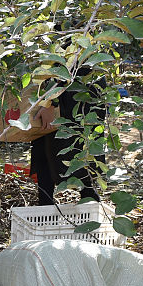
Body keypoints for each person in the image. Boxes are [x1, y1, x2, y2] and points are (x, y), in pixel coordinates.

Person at [29, 77, 104, 205]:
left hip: (76, 92)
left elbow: (64, 68)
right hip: (68, 90)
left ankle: (89, 200)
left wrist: (50, 103)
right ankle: (45, 203)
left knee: (78, 146)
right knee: (45, 145)